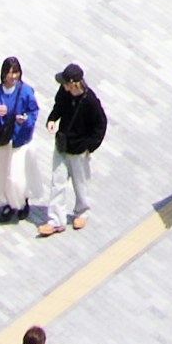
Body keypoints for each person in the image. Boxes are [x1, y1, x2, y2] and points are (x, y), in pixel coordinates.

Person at [42, 61, 109, 235]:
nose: (63, 86)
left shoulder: (90, 101)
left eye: (65, 83)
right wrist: (52, 119)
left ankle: (82, 212)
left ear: (73, 83)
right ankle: (56, 220)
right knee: (57, 182)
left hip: (79, 150)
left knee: (81, 183)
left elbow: (101, 124)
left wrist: (89, 147)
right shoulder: (64, 93)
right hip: (62, 145)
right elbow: (58, 107)